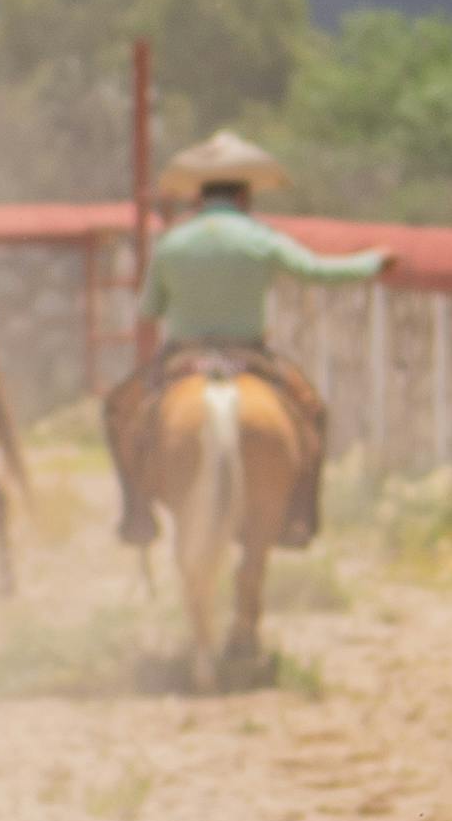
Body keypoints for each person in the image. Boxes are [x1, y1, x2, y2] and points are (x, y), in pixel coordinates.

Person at [104, 133, 389, 550]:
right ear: (244, 198)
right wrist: (374, 261)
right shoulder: (260, 238)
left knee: (116, 411)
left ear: (199, 198)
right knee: (313, 416)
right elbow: (317, 271)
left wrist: (147, 362)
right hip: (249, 353)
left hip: (184, 354)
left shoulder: (173, 243)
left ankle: (136, 515)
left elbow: (148, 312)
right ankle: (299, 517)